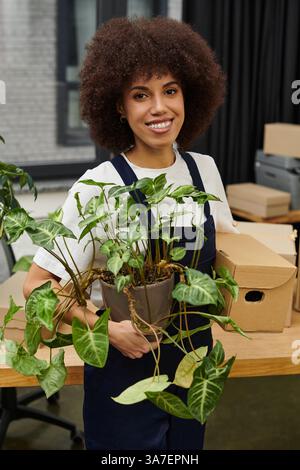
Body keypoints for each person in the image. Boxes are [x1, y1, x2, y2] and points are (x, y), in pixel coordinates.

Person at [23, 16, 237, 450]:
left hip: (193, 367)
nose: (159, 108)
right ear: (119, 107)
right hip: (124, 371)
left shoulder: (205, 172)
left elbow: (223, 263)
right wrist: (103, 326)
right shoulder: (98, 185)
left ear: (188, 95)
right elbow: (37, 286)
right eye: (141, 95)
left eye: (170, 91)